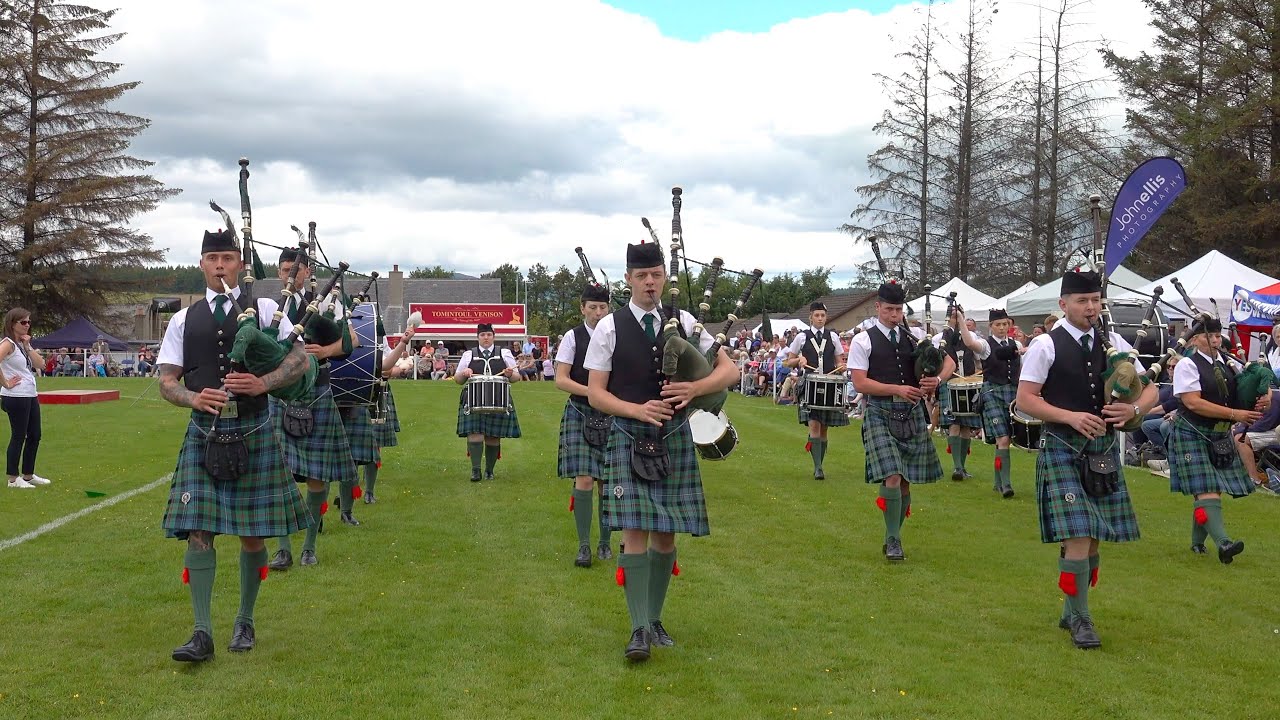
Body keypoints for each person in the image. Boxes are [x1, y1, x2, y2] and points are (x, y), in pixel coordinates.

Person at [156, 227, 312, 662]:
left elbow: (300, 360)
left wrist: (261, 381)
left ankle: (244, 620)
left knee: (251, 533)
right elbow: (167, 382)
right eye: (213, 259)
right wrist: (192, 396)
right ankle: (201, 632)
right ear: (202, 264)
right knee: (199, 532)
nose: (220, 265)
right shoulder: (182, 320)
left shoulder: (263, 309)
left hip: (254, 429)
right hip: (204, 433)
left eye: (227, 258)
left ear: (240, 263)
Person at [584, 240, 739, 662]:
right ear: (629, 279)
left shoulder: (685, 321)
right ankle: (637, 629)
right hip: (630, 435)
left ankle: (654, 619)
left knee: (667, 533)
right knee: (634, 529)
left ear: (664, 277)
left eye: (656, 275)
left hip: (674, 437)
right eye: (641, 276)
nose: (650, 282)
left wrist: (695, 387)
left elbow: (730, 370)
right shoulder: (609, 327)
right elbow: (597, 393)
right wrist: (635, 408)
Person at [1015, 269, 1158, 650]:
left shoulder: (1113, 342)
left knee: (1095, 540)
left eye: (1095, 300)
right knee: (1078, 536)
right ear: (1063, 304)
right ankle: (1081, 619)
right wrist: (1070, 416)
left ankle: (1070, 608)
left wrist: (1134, 411)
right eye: (1082, 301)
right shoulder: (1046, 345)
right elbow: (1026, 399)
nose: (1090, 307)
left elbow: (1152, 390)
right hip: (1062, 446)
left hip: (1104, 452)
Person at [265, 248, 360, 570]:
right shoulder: (270, 308)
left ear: (306, 271)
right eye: (283, 270)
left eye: (293, 269)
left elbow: (352, 341)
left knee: (317, 477)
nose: (288, 275)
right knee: (280, 477)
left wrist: (324, 352)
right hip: (278, 396)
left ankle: (308, 546)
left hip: (316, 393)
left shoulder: (322, 306)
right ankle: (281, 549)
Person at [849, 279, 953, 562]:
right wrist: (897, 389)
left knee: (905, 481)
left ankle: (891, 534)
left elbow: (950, 361)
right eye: (889, 310)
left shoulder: (916, 336)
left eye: (898, 310)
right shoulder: (863, 339)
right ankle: (893, 539)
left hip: (912, 414)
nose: (895, 316)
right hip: (880, 412)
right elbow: (859, 383)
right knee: (892, 475)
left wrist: (936, 380)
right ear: (878, 307)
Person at [1166, 316, 1260, 562]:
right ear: (1196, 339)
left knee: (1211, 488)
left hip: (1219, 434)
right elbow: (1192, 401)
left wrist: (1263, 394)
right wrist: (1234, 414)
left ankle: (1197, 543)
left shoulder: (1229, 363)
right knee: (1207, 489)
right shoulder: (1188, 364)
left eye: (1218, 336)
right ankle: (1224, 543)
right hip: (1191, 431)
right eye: (1211, 336)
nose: (1216, 340)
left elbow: (1243, 390)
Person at [555, 284, 614, 567]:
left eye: (603, 308)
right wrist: (592, 392)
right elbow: (561, 379)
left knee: (606, 482)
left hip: (612, 413)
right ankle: (584, 547)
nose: (598, 313)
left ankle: (605, 542)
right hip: (580, 411)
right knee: (585, 479)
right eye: (592, 307)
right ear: (582, 308)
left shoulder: (618, 334)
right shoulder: (573, 337)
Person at [783, 301, 848, 480]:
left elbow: (839, 361)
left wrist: (841, 367)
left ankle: (820, 462)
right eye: (817, 316)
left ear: (826, 317)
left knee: (824, 428)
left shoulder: (833, 337)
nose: (820, 319)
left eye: (823, 316)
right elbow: (788, 362)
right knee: (814, 424)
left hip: (829, 384)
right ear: (810, 317)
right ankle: (818, 467)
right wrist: (799, 360)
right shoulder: (801, 337)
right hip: (809, 384)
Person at [966, 309, 1024, 497]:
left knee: (1006, 439)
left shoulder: (1016, 344)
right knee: (1003, 439)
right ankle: (1006, 485)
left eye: (1005, 324)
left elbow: (1022, 370)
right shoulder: (986, 345)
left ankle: (998, 481)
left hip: (1012, 393)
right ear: (991, 326)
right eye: (998, 324)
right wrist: (960, 320)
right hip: (991, 393)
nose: (1002, 328)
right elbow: (969, 342)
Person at [456, 323, 521, 481]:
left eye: (489, 335)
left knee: (493, 436)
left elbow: (516, 378)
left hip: (498, 398)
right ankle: (476, 471)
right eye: (483, 335)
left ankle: (489, 471)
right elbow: (458, 380)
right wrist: (465, 373)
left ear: (494, 336)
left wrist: (510, 373)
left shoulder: (504, 353)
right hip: (473, 399)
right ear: (477, 337)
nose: (486, 338)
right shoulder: (468, 354)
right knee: (475, 434)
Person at [935, 308, 985, 484]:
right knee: (954, 424)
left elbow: (980, 358)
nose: (956, 319)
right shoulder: (939, 338)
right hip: (949, 385)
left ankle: (962, 467)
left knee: (966, 427)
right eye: (953, 316)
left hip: (969, 384)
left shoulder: (971, 337)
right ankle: (957, 467)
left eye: (958, 315)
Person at [1, 308, 49, 489]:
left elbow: (41, 364)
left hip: (29, 394)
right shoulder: (7, 343)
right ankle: (13, 478)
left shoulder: (21, 344)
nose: (27, 325)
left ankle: (28, 475)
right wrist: (5, 382)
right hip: (15, 396)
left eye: (29, 322)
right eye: (23, 322)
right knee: (18, 435)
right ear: (13, 324)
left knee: (35, 434)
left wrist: (28, 346)